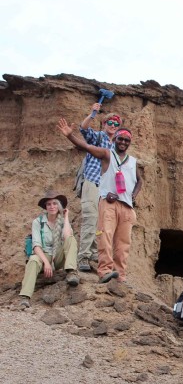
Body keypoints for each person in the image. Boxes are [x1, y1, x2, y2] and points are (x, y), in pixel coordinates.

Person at [57, 119, 142, 284]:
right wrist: (70, 136)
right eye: (120, 139)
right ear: (115, 139)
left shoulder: (132, 161)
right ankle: (104, 271)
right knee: (105, 237)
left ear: (129, 143)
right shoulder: (106, 154)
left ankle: (120, 275)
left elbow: (140, 181)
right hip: (108, 203)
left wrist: (134, 195)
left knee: (123, 243)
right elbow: (86, 147)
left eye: (126, 140)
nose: (123, 142)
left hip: (126, 207)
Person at [75, 104, 121, 272]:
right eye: (110, 122)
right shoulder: (99, 137)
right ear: (104, 123)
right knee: (90, 218)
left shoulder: (117, 146)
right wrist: (93, 113)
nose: (113, 125)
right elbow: (84, 129)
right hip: (92, 181)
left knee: (101, 222)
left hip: (106, 189)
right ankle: (83, 257)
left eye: (116, 124)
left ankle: (94, 252)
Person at [19, 192, 80, 307]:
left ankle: (71, 272)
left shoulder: (62, 221)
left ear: (59, 206)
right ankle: (25, 297)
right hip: (44, 255)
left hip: (58, 257)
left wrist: (66, 217)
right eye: (49, 204)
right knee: (33, 260)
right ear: (45, 207)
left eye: (55, 204)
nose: (52, 207)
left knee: (71, 239)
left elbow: (67, 236)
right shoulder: (38, 222)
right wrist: (46, 263)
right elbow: (36, 246)